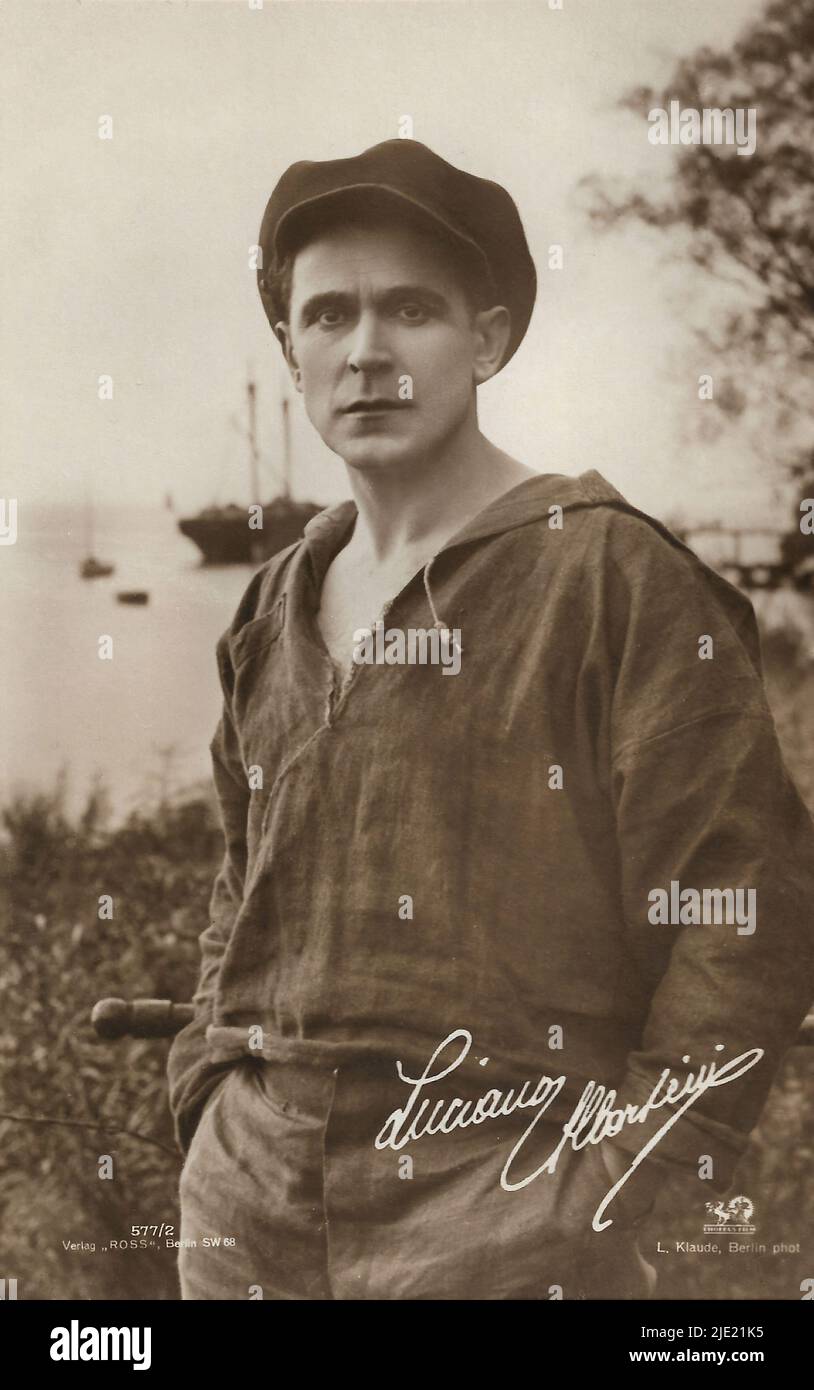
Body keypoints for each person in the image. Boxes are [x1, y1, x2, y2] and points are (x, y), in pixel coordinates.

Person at [167, 138, 814, 1300]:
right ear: (290, 348)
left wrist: (613, 1180)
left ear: (488, 337)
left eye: (409, 309)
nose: (365, 351)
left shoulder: (611, 577)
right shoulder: (271, 608)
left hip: (510, 1213)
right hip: (247, 1216)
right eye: (327, 316)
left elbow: (742, 914)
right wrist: (208, 1092)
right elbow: (238, 886)